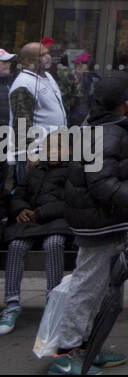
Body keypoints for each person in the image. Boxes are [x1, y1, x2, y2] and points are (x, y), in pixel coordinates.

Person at [47, 71, 128, 374]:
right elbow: (101, 182)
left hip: (99, 220)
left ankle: (87, 347)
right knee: (87, 288)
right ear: (124, 101)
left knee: (98, 289)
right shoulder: (109, 132)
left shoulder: (100, 126)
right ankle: (66, 353)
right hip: (99, 223)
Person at [0, 132, 73, 336]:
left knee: (54, 244)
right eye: (49, 148)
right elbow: (19, 193)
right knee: (15, 245)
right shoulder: (34, 172)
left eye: (59, 148)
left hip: (57, 222)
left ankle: (53, 301)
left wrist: (40, 213)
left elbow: (71, 202)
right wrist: (20, 209)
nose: (53, 152)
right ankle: (12, 303)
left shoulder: (73, 173)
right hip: (31, 222)